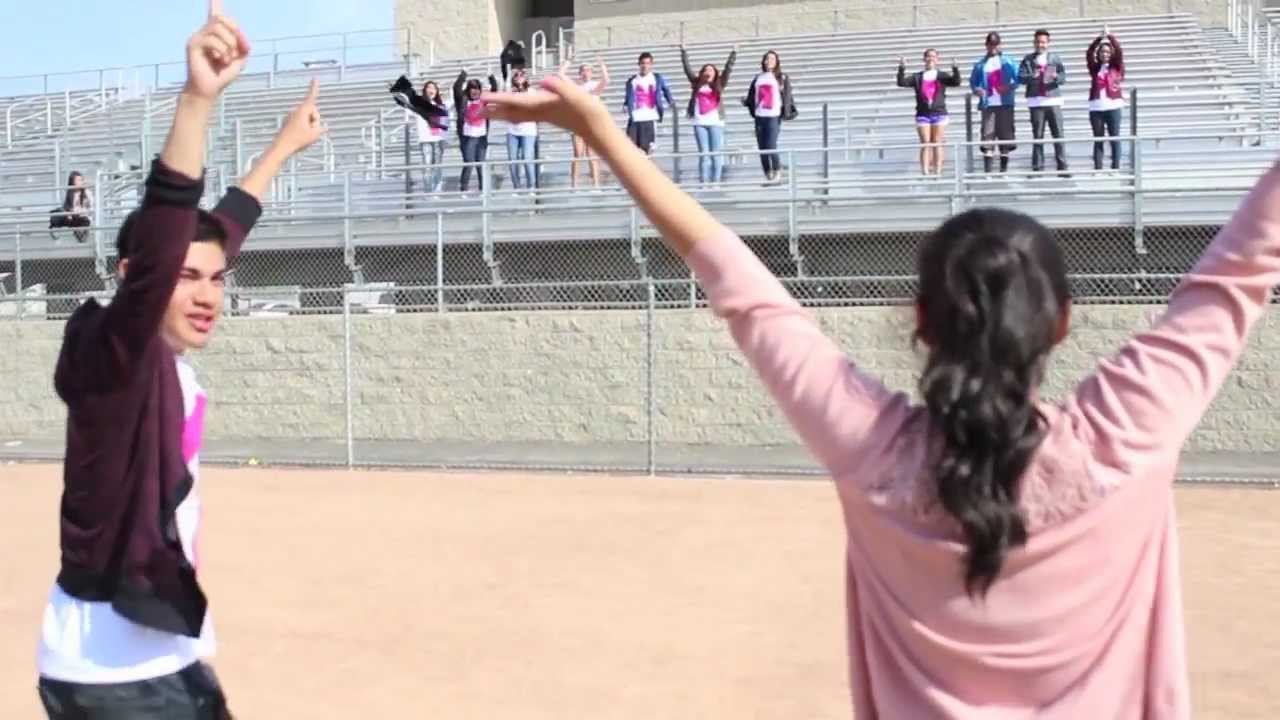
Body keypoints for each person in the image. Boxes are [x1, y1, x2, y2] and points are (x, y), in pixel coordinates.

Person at [483, 70, 1280, 720]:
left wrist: (599, 134)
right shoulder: (1126, 435)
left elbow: (738, 284)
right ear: (1063, 323)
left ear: (922, 321)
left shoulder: (876, 452)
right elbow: (1243, 263)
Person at [35, 4, 328, 719]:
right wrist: (198, 101)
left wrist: (282, 150)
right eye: (185, 279)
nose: (208, 296)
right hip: (116, 669)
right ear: (136, 273)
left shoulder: (157, 346)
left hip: (163, 651)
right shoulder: (116, 351)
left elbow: (216, 231)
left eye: (217, 280)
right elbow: (174, 236)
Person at [897, 50, 962, 176]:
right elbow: (901, 82)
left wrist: (955, 68)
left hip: (939, 113)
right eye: (928, 56)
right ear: (924, 59)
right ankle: (925, 172)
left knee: (937, 142)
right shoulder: (918, 77)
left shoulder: (941, 76)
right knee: (925, 142)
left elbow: (956, 82)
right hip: (923, 114)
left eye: (933, 56)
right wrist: (902, 68)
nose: (930, 59)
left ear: (937, 59)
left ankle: (938, 172)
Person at [680, 43, 737, 186]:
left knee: (716, 153)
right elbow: (687, 70)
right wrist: (684, 52)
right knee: (704, 154)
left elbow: (728, 70)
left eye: (711, 69)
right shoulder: (697, 84)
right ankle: (704, 182)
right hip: (700, 122)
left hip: (716, 122)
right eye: (706, 69)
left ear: (715, 73)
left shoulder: (719, 84)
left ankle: (715, 182)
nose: (708, 71)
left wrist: (733, 53)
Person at [1019, 29, 1069, 175]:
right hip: (1036, 101)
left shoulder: (1054, 58)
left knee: (1058, 134)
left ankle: (1062, 166)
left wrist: (1055, 77)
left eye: (1043, 42)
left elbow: (1063, 77)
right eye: (1038, 42)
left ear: (1048, 43)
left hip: (1053, 99)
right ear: (1034, 42)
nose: (1040, 45)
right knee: (1038, 135)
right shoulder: (1028, 59)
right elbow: (1020, 77)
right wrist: (1031, 76)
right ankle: (1037, 167)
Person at [743, 50, 797, 183]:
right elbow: (752, 95)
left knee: (771, 145)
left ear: (777, 61)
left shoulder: (781, 77)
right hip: (760, 115)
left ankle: (777, 170)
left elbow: (787, 96)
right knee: (762, 147)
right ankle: (768, 173)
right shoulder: (758, 77)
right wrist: (747, 102)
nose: (769, 61)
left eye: (772, 59)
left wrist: (788, 111)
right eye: (767, 58)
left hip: (773, 115)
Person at [969, 31, 1019, 174]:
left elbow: (1018, 79)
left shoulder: (1008, 61)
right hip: (988, 104)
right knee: (987, 135)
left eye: (995, 44)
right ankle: (988, 171)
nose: (993, 47)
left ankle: (1003, 170)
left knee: (1005, 135)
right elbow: (973, 82)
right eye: (990, 44)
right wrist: (977, 90)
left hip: (1005, 103)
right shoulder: (980, 64)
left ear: (1000, 44)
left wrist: (1008, 87)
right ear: (986, 45)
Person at [390, 76, 450, 192]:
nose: (431, 90)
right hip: (425, 140)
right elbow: (407, 105)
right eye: (429, 87)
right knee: (427, 166)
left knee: (438, 165)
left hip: (439, 139)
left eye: (434, 88)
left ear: (437, 91)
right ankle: (428, 189)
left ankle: (436, 189)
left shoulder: (441, 105)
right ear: (425, 90)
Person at [562, 58, 609, 190]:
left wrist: (601, 64)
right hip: (577, 123)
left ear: (591, 73)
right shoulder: (575, 86)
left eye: (588, 70)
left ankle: (596, 185)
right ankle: (574, 185)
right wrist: (568, 60)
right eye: (583, 71)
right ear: (580, 73)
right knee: (578, 153)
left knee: (592, 154)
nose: (585, 73)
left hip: (591, 123)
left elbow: (606, 80)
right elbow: (560, 75)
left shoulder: (595, 85)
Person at [453, 68, 499, 193]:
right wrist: (463, 75)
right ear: (468, 90)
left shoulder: (484, 100)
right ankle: (463, 188)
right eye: (472, 88)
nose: (475, 90)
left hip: (481, 137)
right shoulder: (463, 100)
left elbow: (494, 89)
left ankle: (483, 189)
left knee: (481, 164)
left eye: (477, 88)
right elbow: (456, 88)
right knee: (469, 162)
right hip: (467, 137)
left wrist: (490, 76)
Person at [1087, 26, 1125, 171]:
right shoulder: (1095, 68)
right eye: (1103, 52)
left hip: (1113, 106)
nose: (1105, 54)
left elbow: (1119, 52)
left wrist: (1110, 37)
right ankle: (1098, 168)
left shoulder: (1116, 67)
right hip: (1096, 107)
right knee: (1098, 139)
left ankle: (1115, 167)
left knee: (1114, 138)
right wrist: (1098, 39)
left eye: (1108, 52)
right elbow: (1089, 53)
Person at [622, 51, 675, 156]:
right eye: (642, 63)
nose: (645, 66)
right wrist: (626, 104)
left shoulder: (657, 78)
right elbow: (629, 95)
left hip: (650, 117)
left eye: (647, 63)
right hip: (635, 117)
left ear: (651, 64)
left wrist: (671, 101)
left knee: (647, 149)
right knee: (631, 147)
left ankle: (647, 170)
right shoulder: (632, 80)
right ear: (639, 64)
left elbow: (666, 90)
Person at [503, 68, 539, 192]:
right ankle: (516, 187)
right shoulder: (509, 92)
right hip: (512, 130)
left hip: (528, 130)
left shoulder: (532, 92)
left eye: (521, 75)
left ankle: (531, 186)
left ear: (526, 78)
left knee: (526, 157)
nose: (518, 77)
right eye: (516, 75)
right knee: (512, 160)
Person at [49, 171, 93, 243]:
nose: (81, 182)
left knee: (85, 220)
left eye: (81, 180)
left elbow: (91, 206)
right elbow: (67, 206)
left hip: (83, 216)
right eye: (78, 180)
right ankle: (56, 227)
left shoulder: (87, 192)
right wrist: (69, 213)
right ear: (73, 182)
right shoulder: (70, 193)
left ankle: (81, 237)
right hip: (73, 216)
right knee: (65, 215)